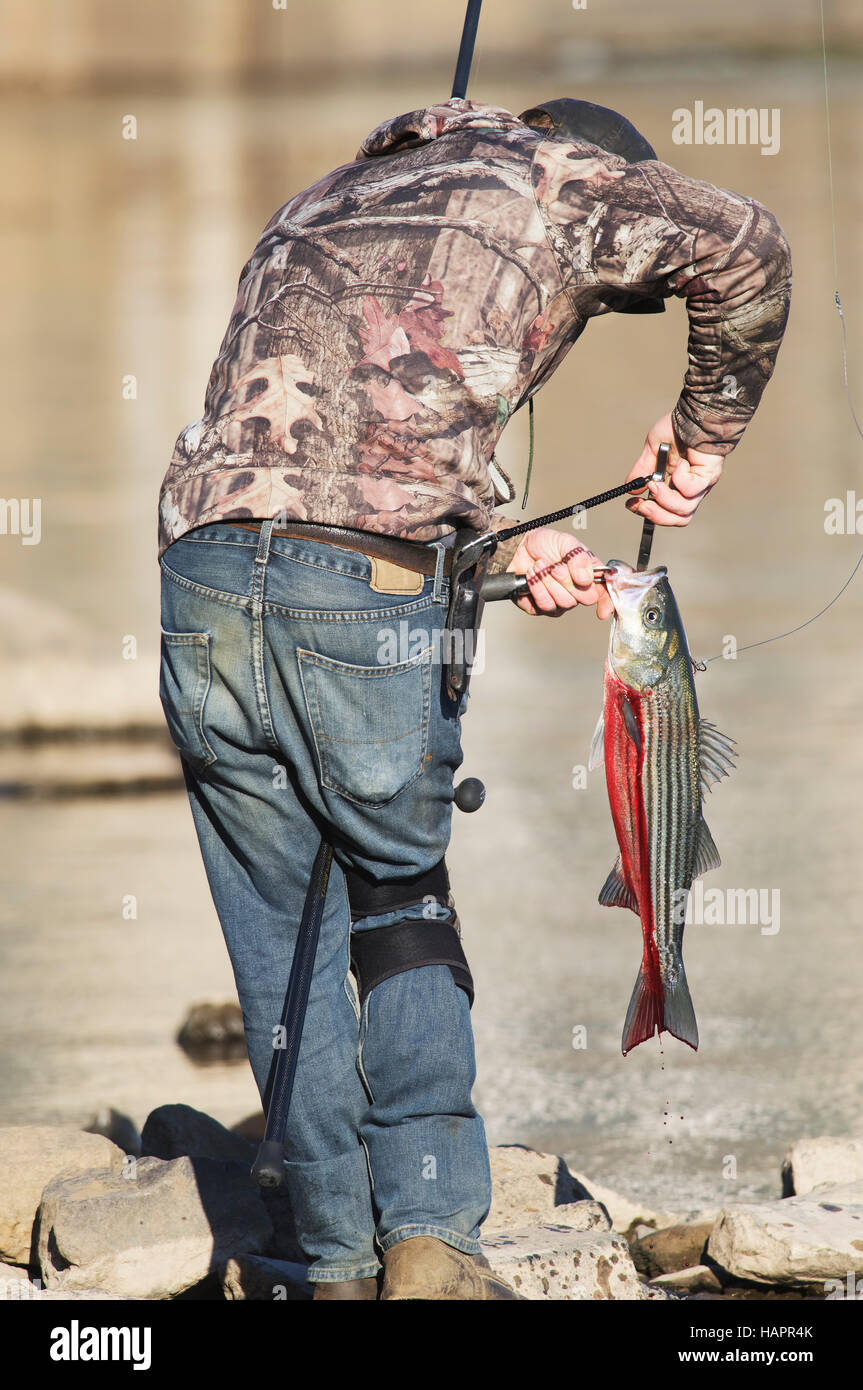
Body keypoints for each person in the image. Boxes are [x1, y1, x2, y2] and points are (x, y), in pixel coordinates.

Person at [157, 96, 791, 1300]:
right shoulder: (566, 179)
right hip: (356, 594)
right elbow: (751, 249)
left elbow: (345, 427)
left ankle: (333, 1259)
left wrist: (501, 547)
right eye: (615, 293)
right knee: (398, 902)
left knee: (276, 930)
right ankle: (435, 1244)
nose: (601, 312)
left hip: (197, 581)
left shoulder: (323, 200)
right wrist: (706, 435)